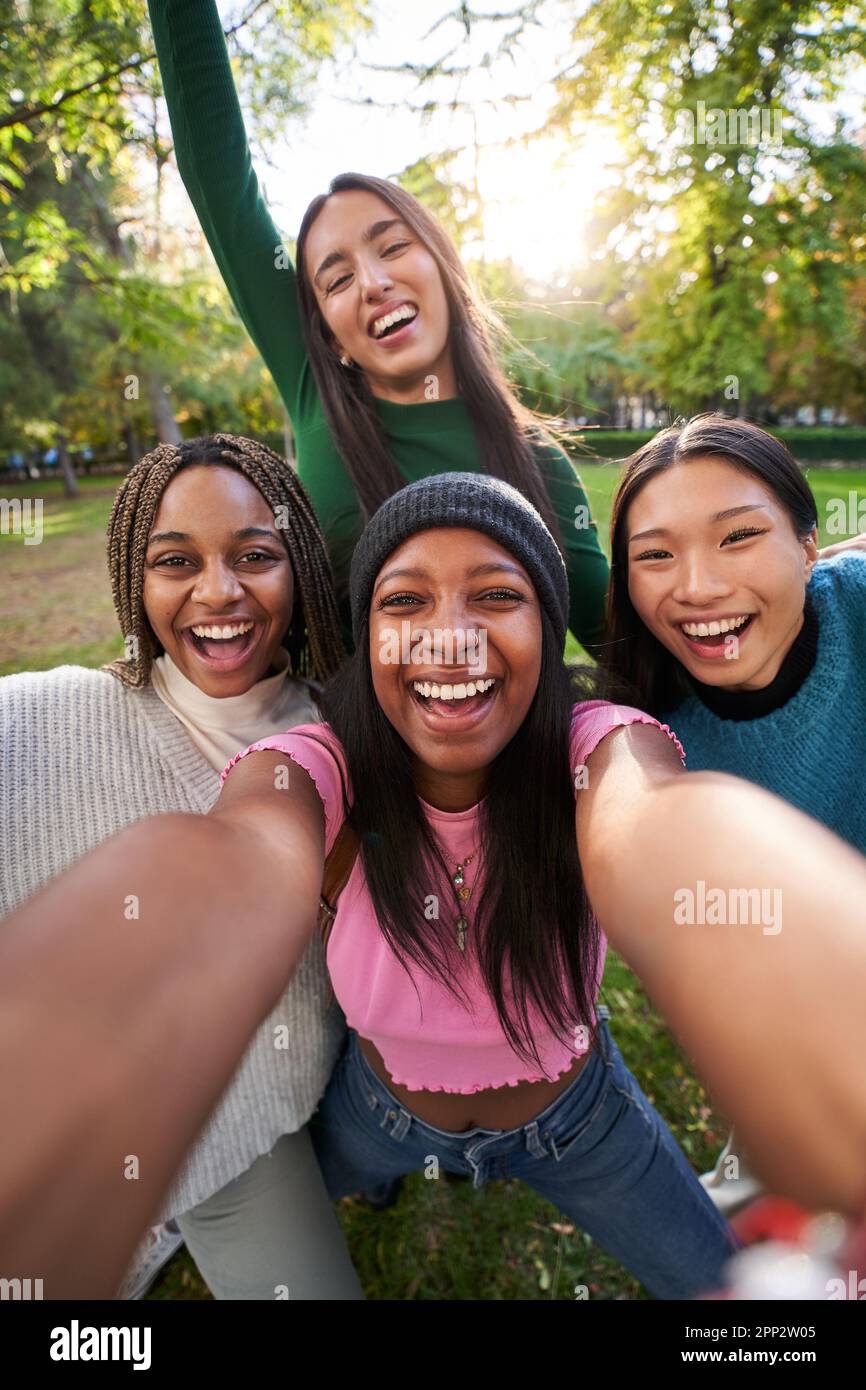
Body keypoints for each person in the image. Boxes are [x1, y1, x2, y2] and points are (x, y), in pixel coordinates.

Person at [3, 473, 866, 1301]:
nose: (449, 636)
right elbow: (245, 850)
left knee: (717, 1285)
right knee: (334, 1181)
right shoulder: (324, 758)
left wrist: (783, 938)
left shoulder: (594, 744)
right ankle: (376, 1185)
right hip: (377, 1116)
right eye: (404, 601)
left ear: (547, 623)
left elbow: (657, 826)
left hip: (581, 1120)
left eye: (496, 596)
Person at [0, 433, 361, 1301]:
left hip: (238, 1133)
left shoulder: (352, 735)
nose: (218, 591)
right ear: (136, 578)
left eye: (254, 556)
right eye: (176, 561)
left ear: (301, 565)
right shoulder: (48, 717)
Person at [146, 0, 609, 649]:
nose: (372, 282)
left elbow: (631, 643)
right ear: (327, 333)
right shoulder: (317, 391)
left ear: (443, 267)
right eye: (336, 278)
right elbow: (220, 179)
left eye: (392, 247)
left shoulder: (538, 463)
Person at [602, 412, 866, 1216]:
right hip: (804, 1019)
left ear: (810, 542)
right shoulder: (649, 735)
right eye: (654, 555)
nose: (699, 587)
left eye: (738, 537)